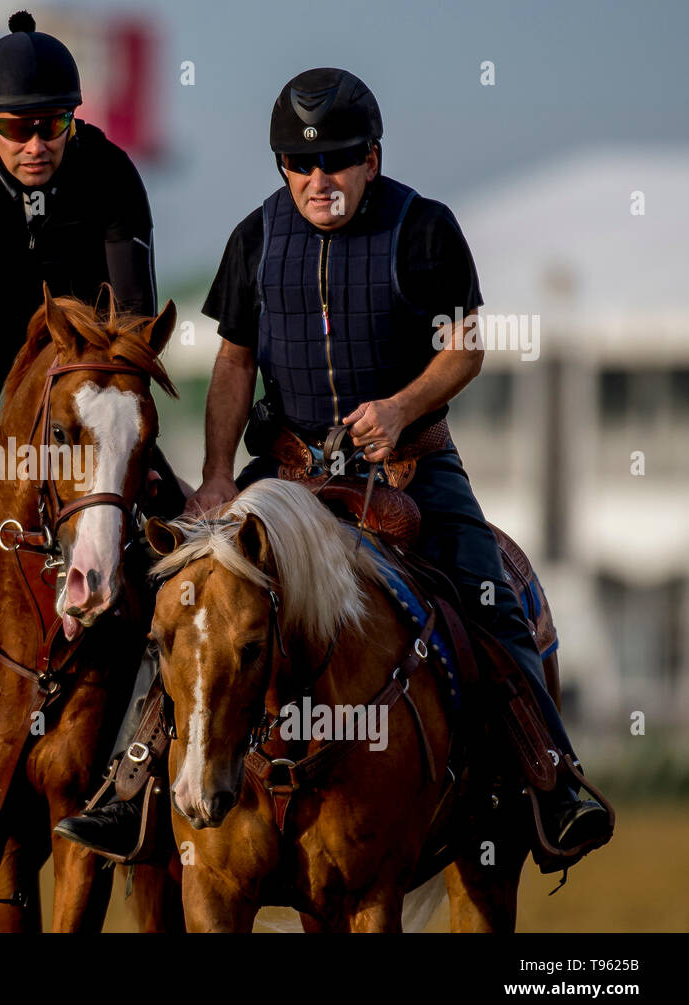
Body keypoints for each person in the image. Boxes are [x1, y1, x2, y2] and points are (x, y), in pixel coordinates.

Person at [56, 67, 612, 869]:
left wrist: (401, 408)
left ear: (372, 159)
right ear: (283, 167)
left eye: (339, 162)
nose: (321, 180)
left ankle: (552, 781)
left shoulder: (425, 228)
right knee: (190, 605)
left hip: (413, 472)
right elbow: (234, 361)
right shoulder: (253, 237)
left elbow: (467, 347)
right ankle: (133, 781)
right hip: (283, 475)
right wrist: (216, 473)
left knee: (492, 598)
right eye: (301, 165)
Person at [0, 9, 185, 564]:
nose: (36, 145)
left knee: (132, 445)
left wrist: (123, 403)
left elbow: (132, 316)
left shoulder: (112, 173)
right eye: (16, 128)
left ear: (72, 121)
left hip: (80, 343)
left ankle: (177, 598)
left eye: (52, 126)